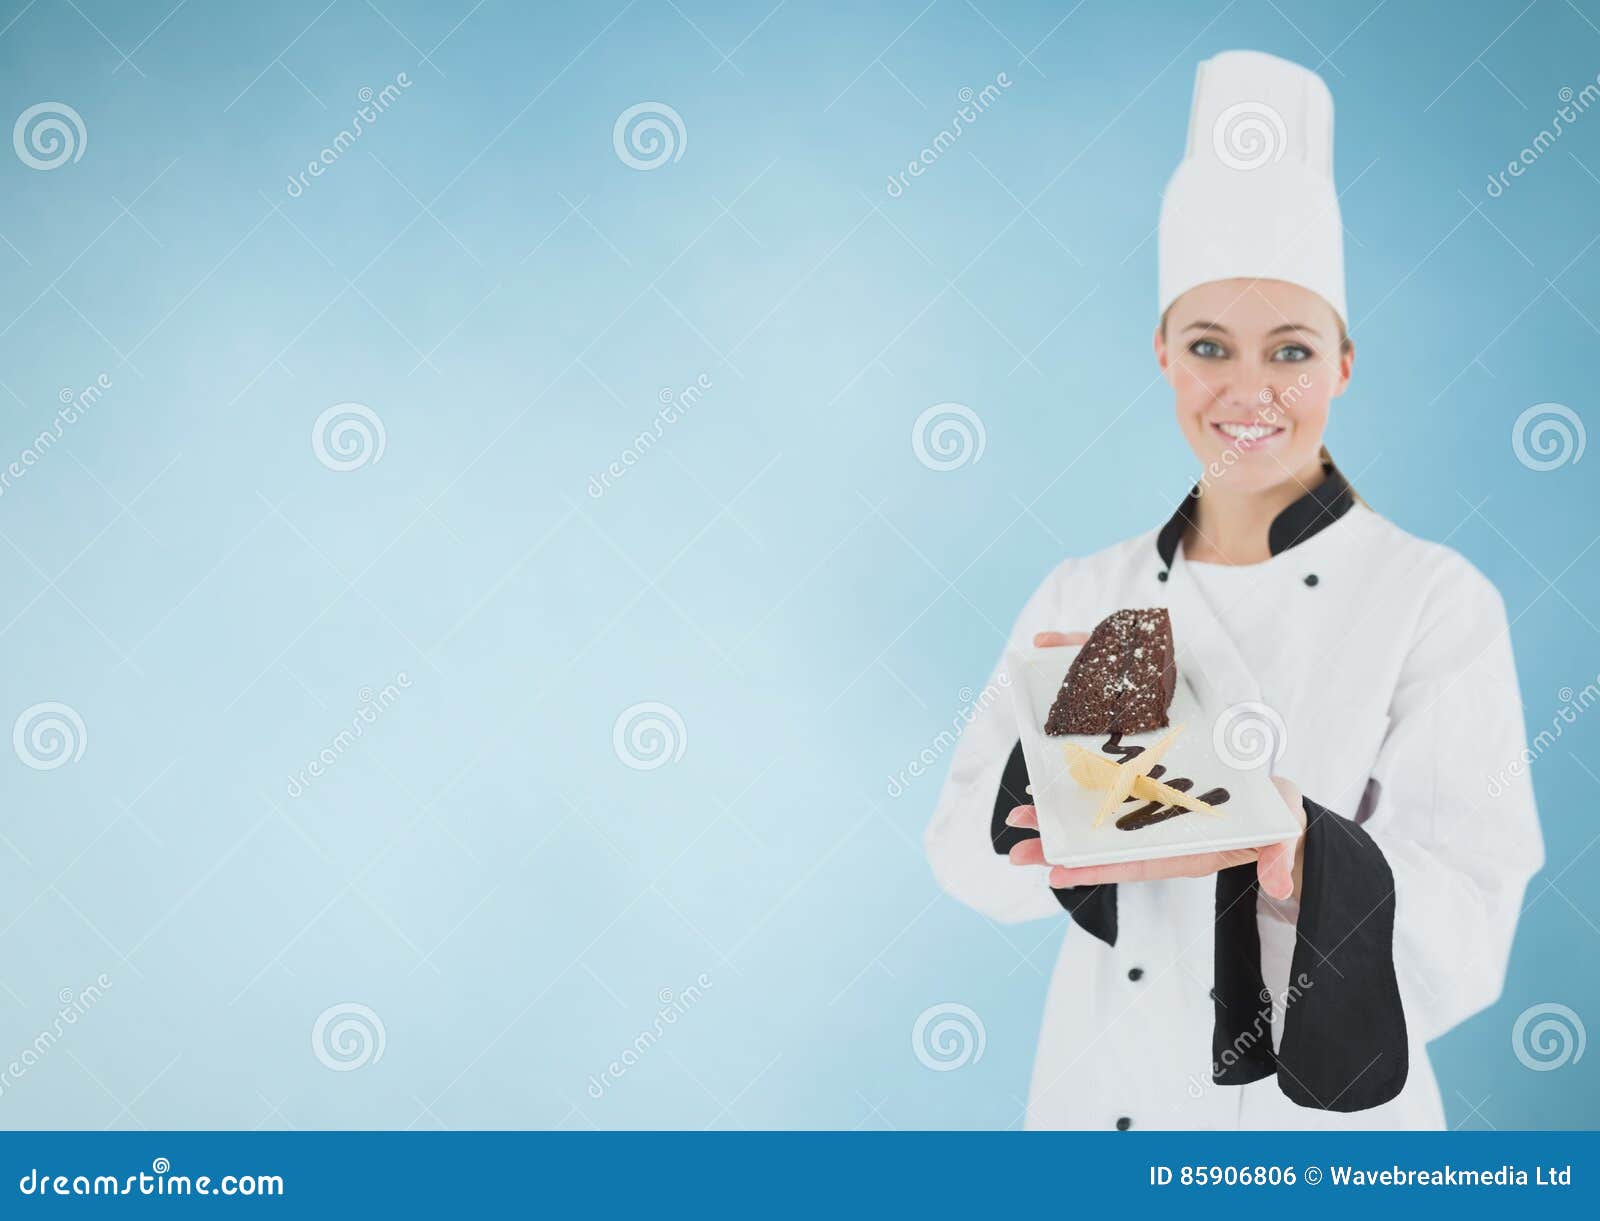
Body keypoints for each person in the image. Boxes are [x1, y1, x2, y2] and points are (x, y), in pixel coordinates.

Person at [924, 49, 1544, 1130]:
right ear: (1163, 354)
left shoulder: (1430, 599)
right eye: (1209, 345)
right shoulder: (1089, 591)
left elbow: (1470, 912)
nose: (1248, 392)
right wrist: (1045, 793)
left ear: (1342, 364)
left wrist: (1305, 856)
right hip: (1099, 1101)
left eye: (1290, 352)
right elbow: (963, 860)